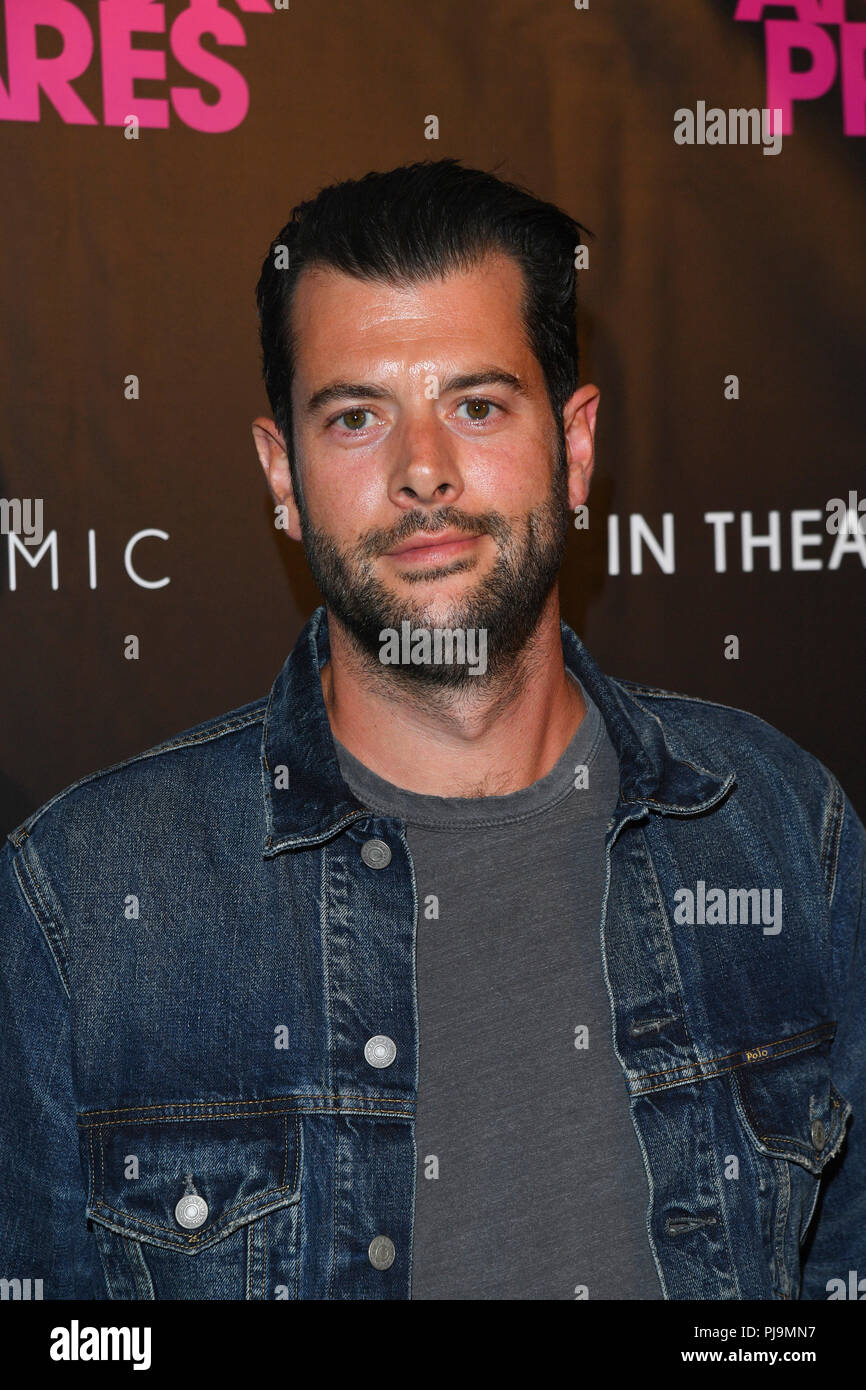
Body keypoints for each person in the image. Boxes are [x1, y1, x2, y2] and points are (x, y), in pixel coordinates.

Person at [1, 159, 863, 1302]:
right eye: (357, 415)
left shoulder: (779, 832)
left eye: (475, 404)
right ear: (283, 476)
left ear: (577, 447)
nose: (422, 472)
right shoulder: (84, 897)